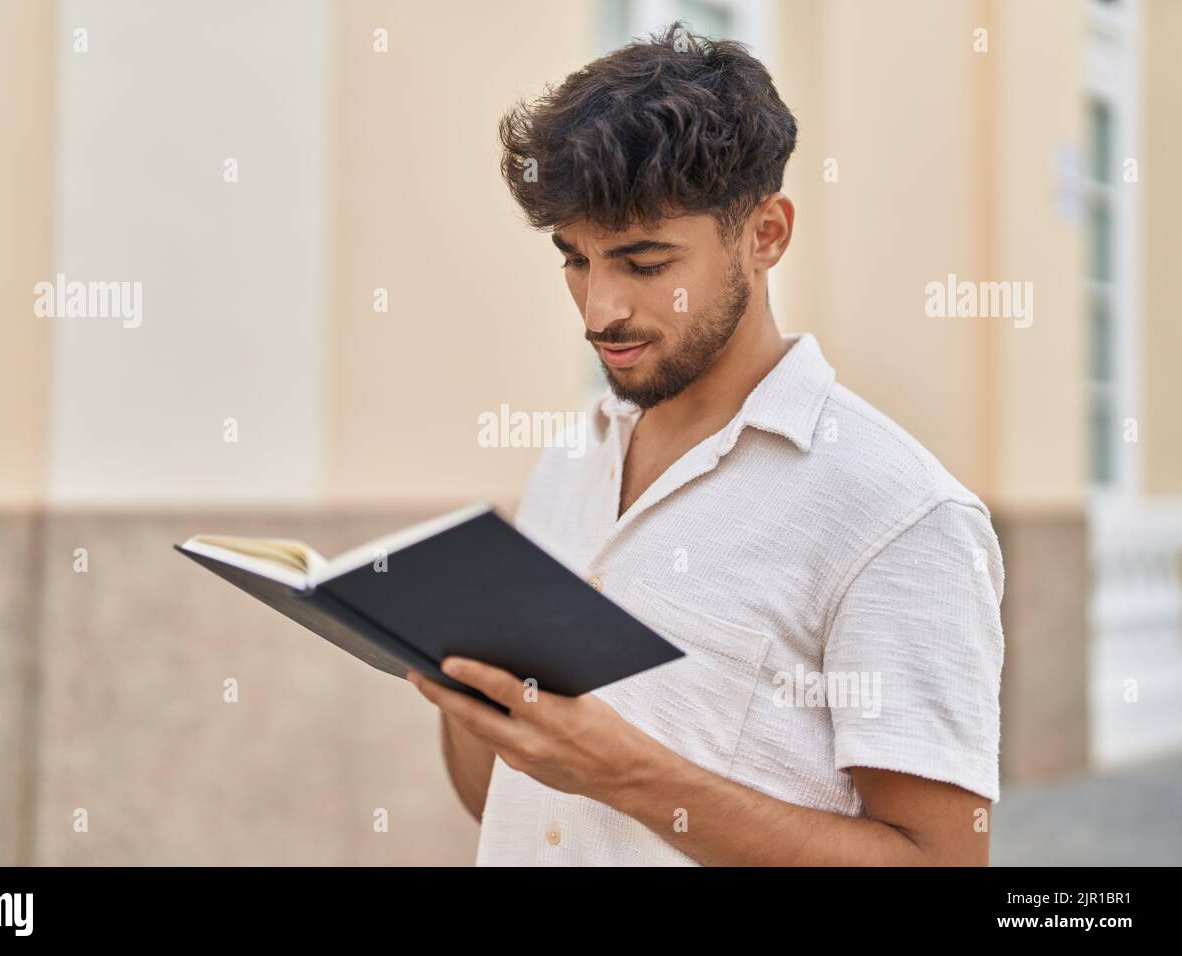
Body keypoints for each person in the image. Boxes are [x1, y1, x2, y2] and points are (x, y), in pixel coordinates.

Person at [407, 21, 1004, 866]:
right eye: (574, 259)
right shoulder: (572, 459)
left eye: (644, 262)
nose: (598, 309)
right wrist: (464, 690)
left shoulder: (900, 515)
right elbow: (507, 806)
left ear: (766, 234)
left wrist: (633, 776)